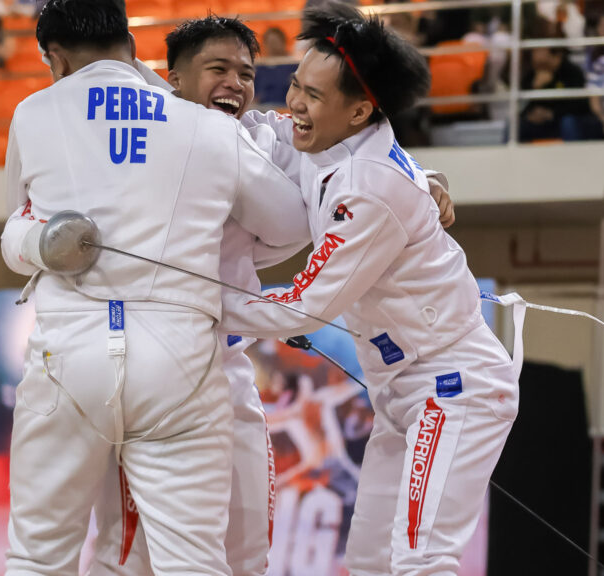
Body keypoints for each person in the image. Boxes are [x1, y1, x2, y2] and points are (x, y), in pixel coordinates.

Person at [88, 15, 456, 576]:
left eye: (246, 72)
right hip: (150, 369)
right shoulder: (139, 146)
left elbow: (351, 149)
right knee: (129, 556)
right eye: (218, 69)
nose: (235, 82)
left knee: (246, 556)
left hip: (228, 368)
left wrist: (422, 177)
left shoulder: (264, 136)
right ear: (175, 81)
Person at [0, 1, 310, 574]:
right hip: (182, 359)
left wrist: (44, 245)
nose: (235, 84)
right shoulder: (211, 126)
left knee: (40, 556)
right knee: (192, 561)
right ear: (136, 49)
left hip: (71, 354)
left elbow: (19, 227)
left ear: (56, 59)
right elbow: (293, 221)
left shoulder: (32, 111)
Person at [223, 4, 518, 575]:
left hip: (453, 387)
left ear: (359, 110)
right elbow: (258, 130)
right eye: (296, 86)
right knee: (368, 563)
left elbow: (305, 307)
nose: (295, 105)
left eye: (312, 95)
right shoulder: (328, 141)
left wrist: (206, 304)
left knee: (420, 563)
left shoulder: (369, 189)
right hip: (400, 392)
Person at [519, 45, 588, 141]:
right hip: (538, 122)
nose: (534, 56)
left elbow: (579, 105)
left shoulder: (572, 73)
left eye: (539, 51)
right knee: (515, 125)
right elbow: (524, 103)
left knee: (569, 123)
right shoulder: (532, 74)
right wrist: (535, 88)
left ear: (556, 56)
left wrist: (552, 114)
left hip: (561, 120)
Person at [253, 27, 298, 106]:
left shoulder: (294, 64)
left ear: (283, 42)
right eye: (269, 42)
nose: (273, 46)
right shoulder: (259, 67)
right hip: (264, 109)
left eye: (275, 42)